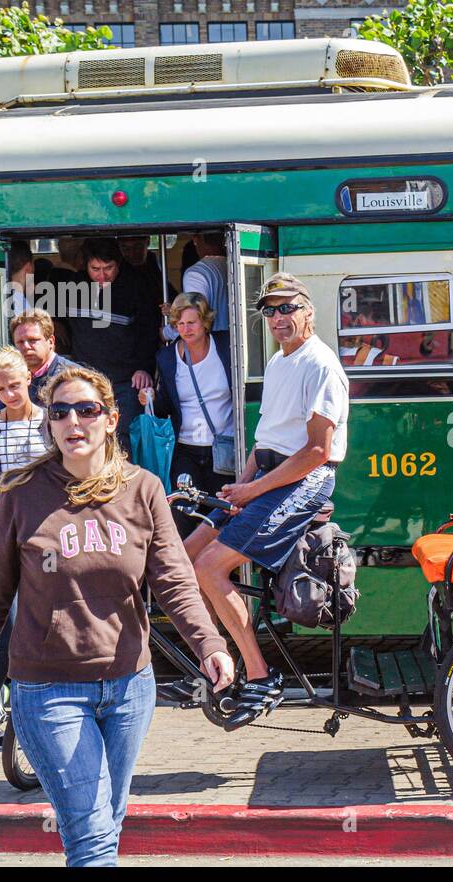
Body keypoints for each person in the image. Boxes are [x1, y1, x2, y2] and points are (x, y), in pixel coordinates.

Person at [0, 365, 234, 867]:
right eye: (60, 412)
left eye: (86, 409)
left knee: (105, 823)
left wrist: (209, 643)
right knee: (92, 837)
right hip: (47, 690)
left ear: (111, 418)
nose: (73, 421)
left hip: (129, 688)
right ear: (49, 425)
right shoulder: (21, 494)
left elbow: (173, 581)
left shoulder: (142, 490)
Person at [183, 273, 346, 727]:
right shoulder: (279, 362)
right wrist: (241, 485)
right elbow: (264, 437)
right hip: (271, 475)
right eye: (269, 310)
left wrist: (254, 490)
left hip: (304, 481)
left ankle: (260, 675)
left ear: (308, 310)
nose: (278, 318)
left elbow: (317, 451)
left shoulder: (321, 365)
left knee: (210, 567)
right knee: (184, 559)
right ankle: (218, 658)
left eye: (287, 308)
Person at [0, 346, 51, 747]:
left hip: (53, 535)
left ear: (30, 380)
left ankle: (29, 708)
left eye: (15, 386)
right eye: (0, 389)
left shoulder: (51, 421)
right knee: (10, 623)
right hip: (9, 538)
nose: (9, 395)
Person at [142, 292, 233, 535]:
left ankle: (217, 570)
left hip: (222, 447)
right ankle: (186, 569)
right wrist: (149, 397)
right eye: (179, 324)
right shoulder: (167, 357)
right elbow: (165, 407)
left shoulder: (226, 346)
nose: (185, 328)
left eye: (191, 322)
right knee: (182, 511)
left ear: (205, 322)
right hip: (186, 448)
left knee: (221, 513)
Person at [63, 238, 163, 458]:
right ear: (85, 265)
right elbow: (58, 328)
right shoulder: (72, 287)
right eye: (95, 269)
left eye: (108, 269)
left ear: (119, 263)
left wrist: (144, 368)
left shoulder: (137, 287)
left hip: (125, 382)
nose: (102, 275)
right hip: (85, 380)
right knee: (84, 437)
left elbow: (148, 333)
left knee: (122, 439)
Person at [10, 308, 78, 407]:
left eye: (33, 340)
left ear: (51, 341)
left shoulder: (75, 378)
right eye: (20, 342)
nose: (26, 347)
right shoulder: (11, 379)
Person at [182, 232, 229, 333]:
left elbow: (194, 319)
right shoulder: (232, 265)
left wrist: (166, 332)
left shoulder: (196, 273)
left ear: (195, 239)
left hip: (212, 344)